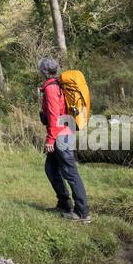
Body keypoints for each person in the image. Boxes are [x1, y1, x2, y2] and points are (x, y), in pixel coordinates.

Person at [38, 56, 91, 222]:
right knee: (51, 169)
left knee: (70, 172)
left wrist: (50, 140)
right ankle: (64, 204)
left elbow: (54, 116)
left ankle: (82, 213)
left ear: (42, 71)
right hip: (64, 133)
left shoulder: (51, 89)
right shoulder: (55, 85)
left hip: (60, 135)